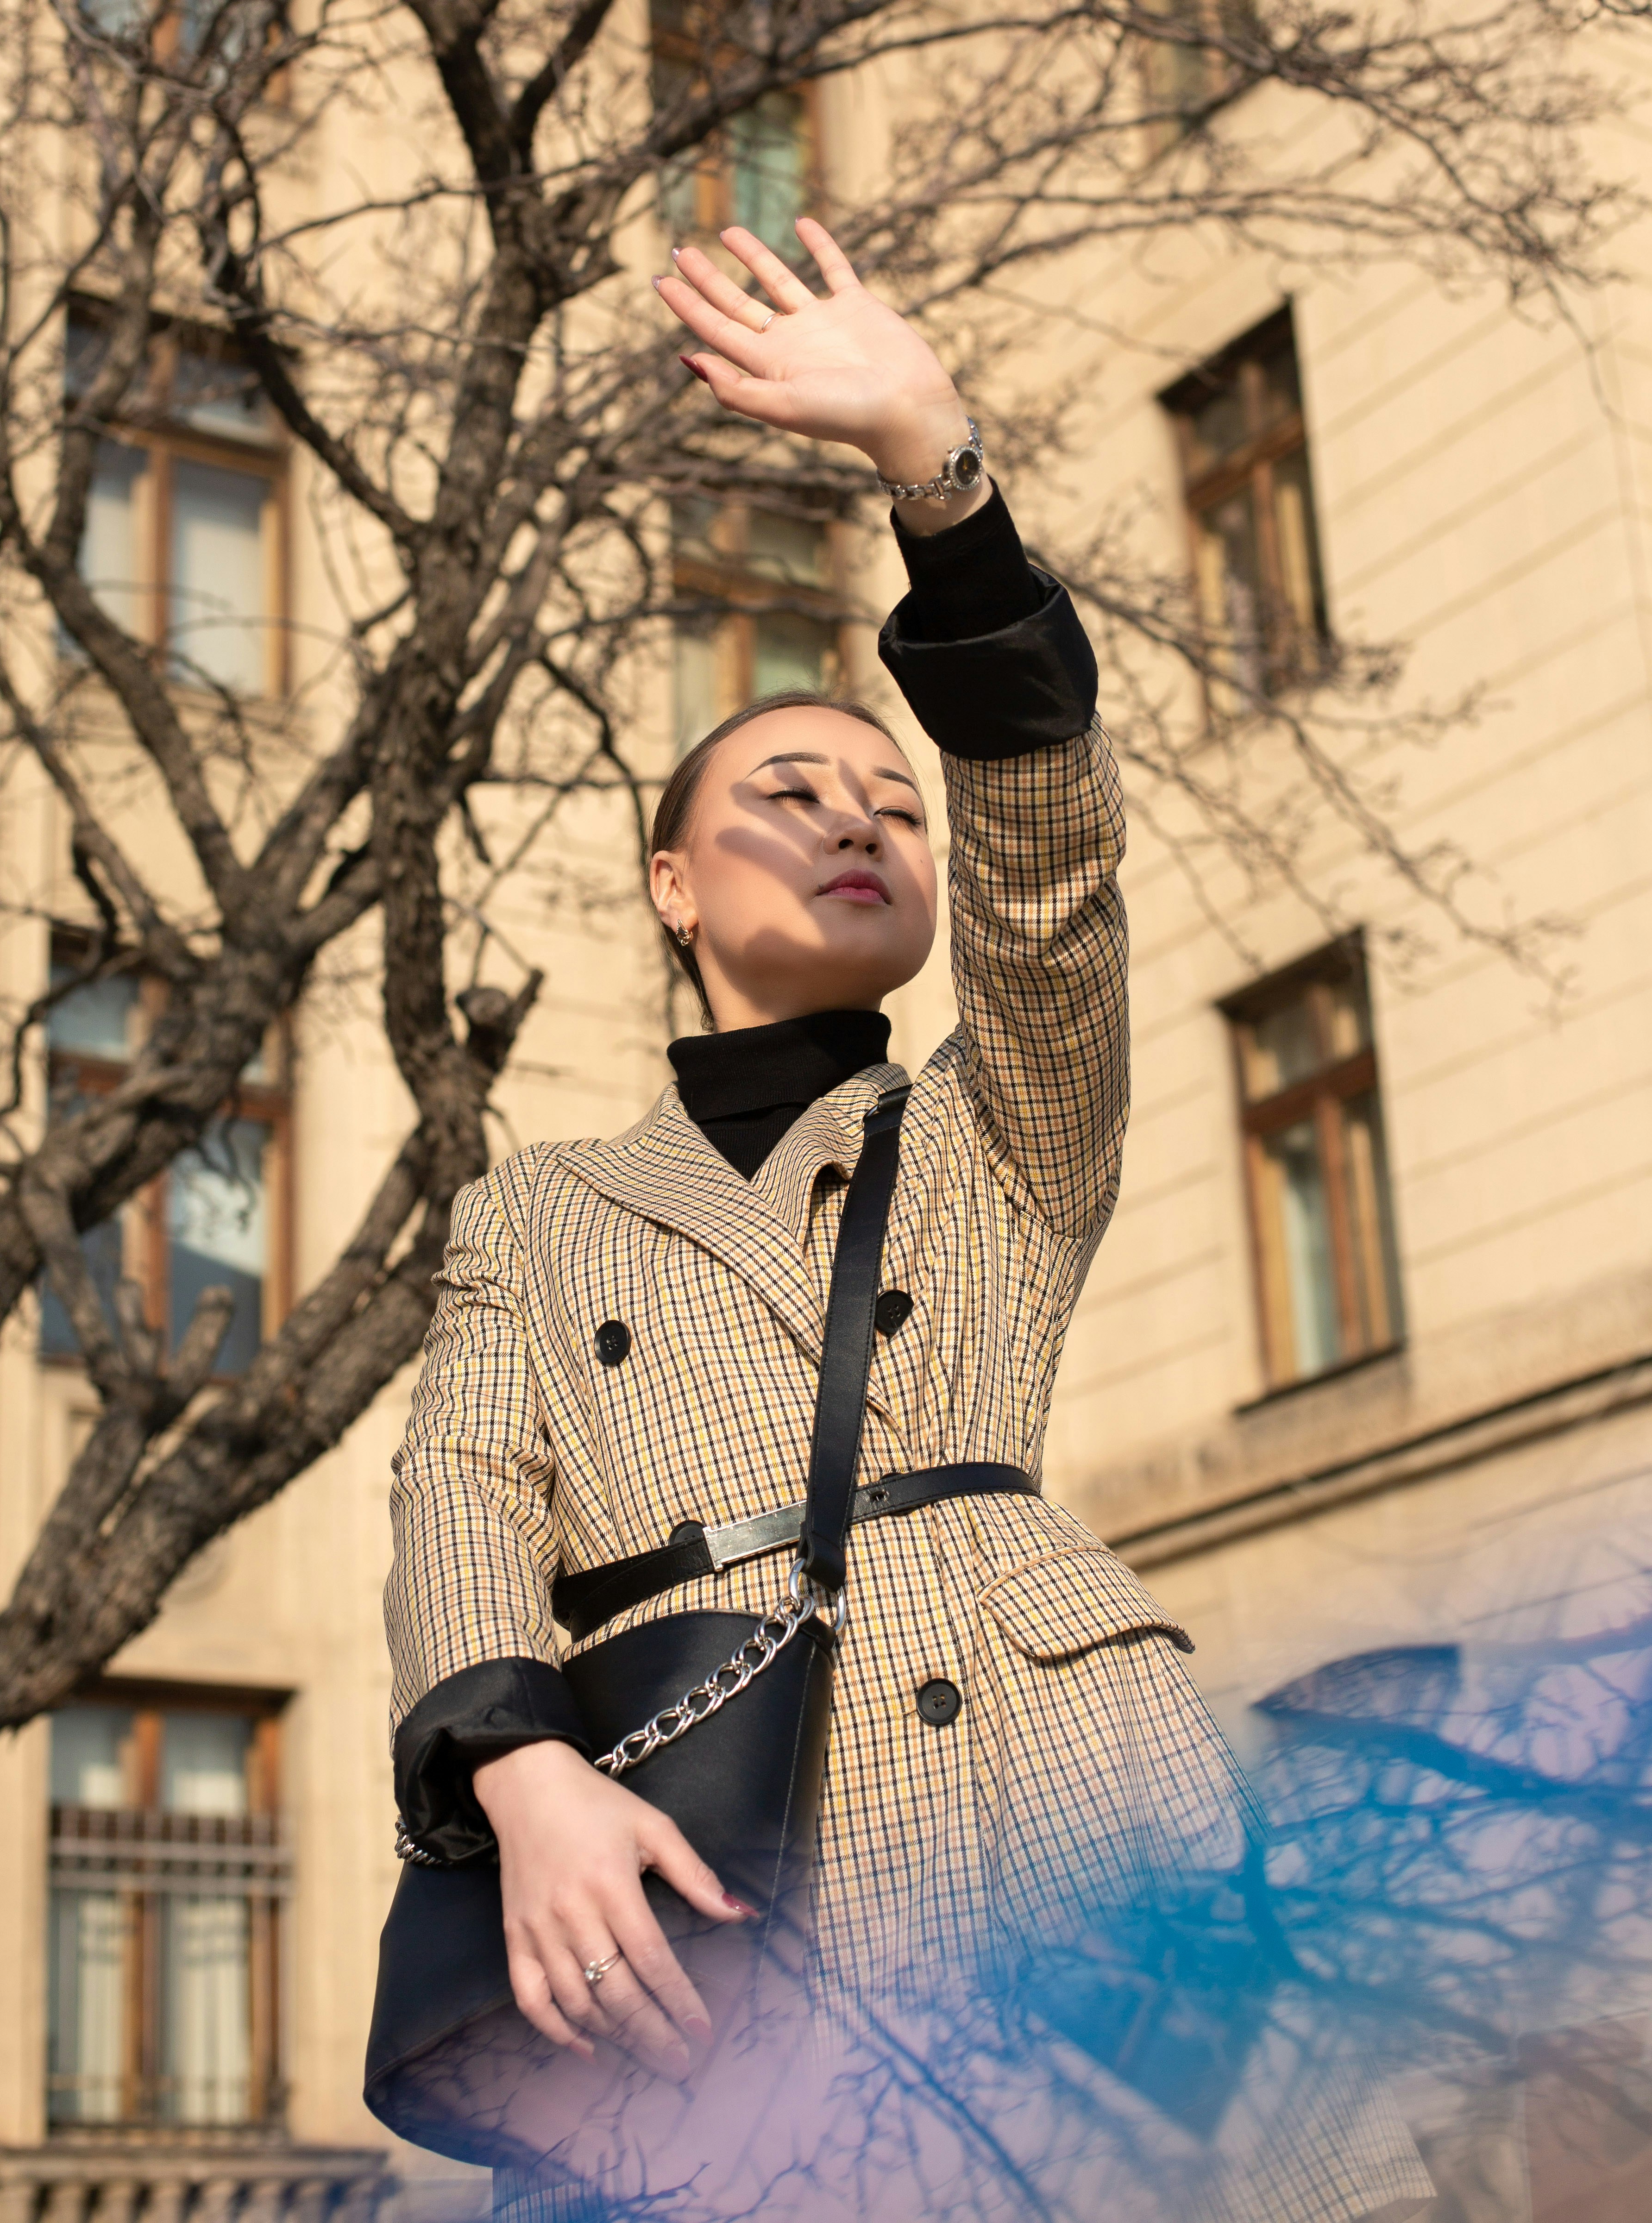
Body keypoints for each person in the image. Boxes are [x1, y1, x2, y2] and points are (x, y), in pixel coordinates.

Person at [385, 218, 1434, 2222]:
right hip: (698, 1860)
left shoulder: (1003, 1121)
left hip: (1057, 1805)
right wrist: (519, 1779)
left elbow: (1050, 866)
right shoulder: (533, 1214)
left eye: (890, 796)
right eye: (791, 786)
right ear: (674, 889)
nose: (862, 814)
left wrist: (933, 471)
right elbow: (460, 1509)